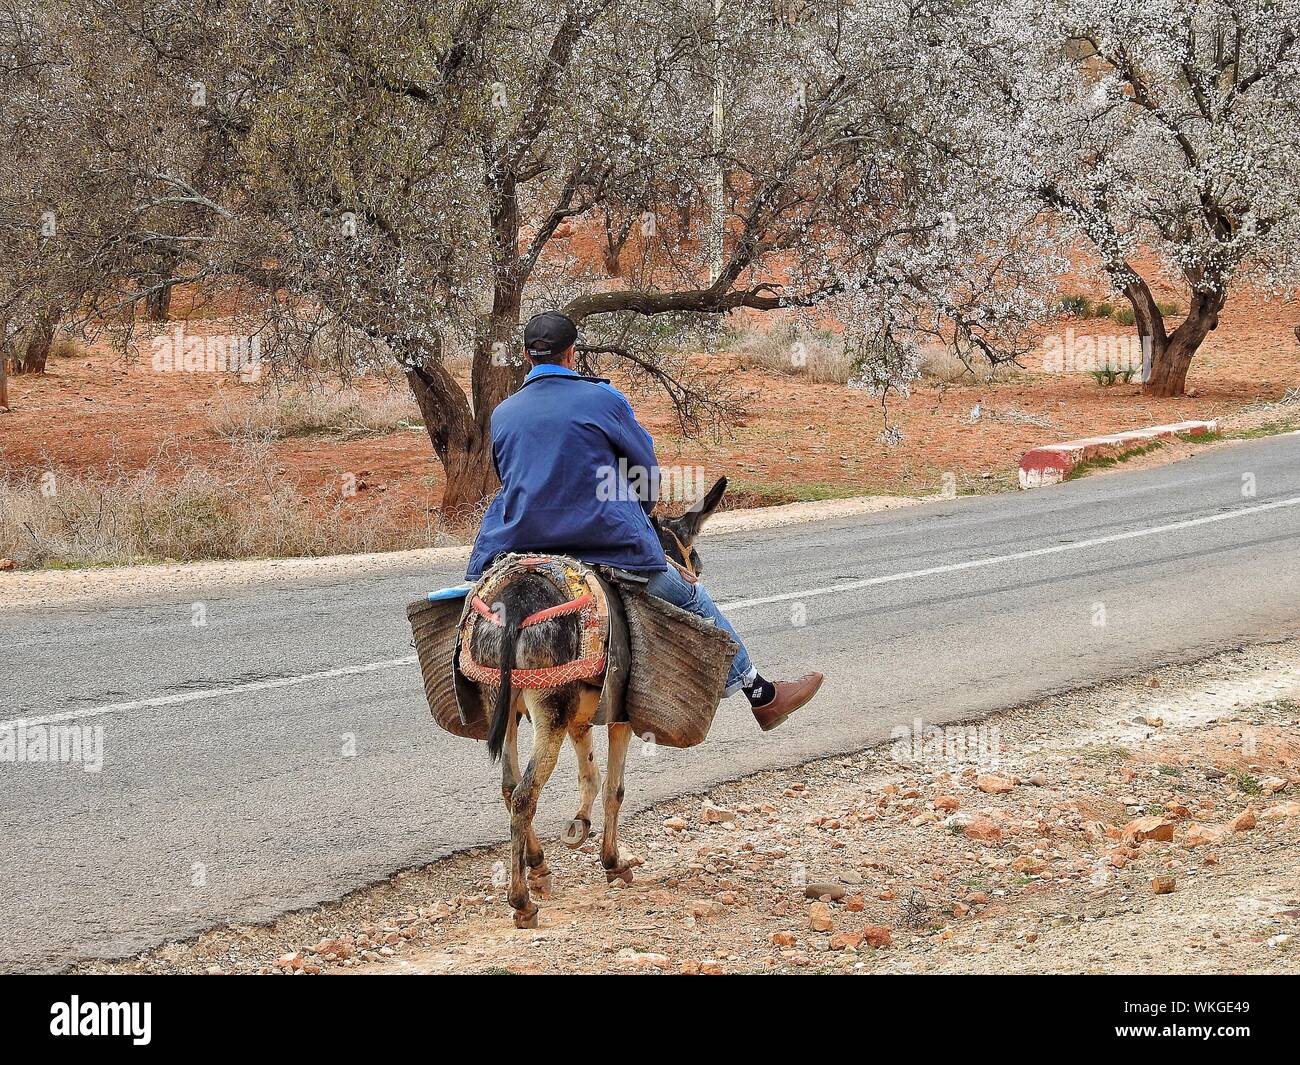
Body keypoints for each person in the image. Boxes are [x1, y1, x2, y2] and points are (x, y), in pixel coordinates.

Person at [466, 310, 824, 731]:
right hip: (605, 544)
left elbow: (508, 474)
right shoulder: (604, 400)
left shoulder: (504, 413)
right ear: (572, 354)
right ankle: (760, 694)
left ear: (527, 357)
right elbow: (645, 473)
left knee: (476, 602)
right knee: (692, 597)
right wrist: (642, 509)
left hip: (519, 545)